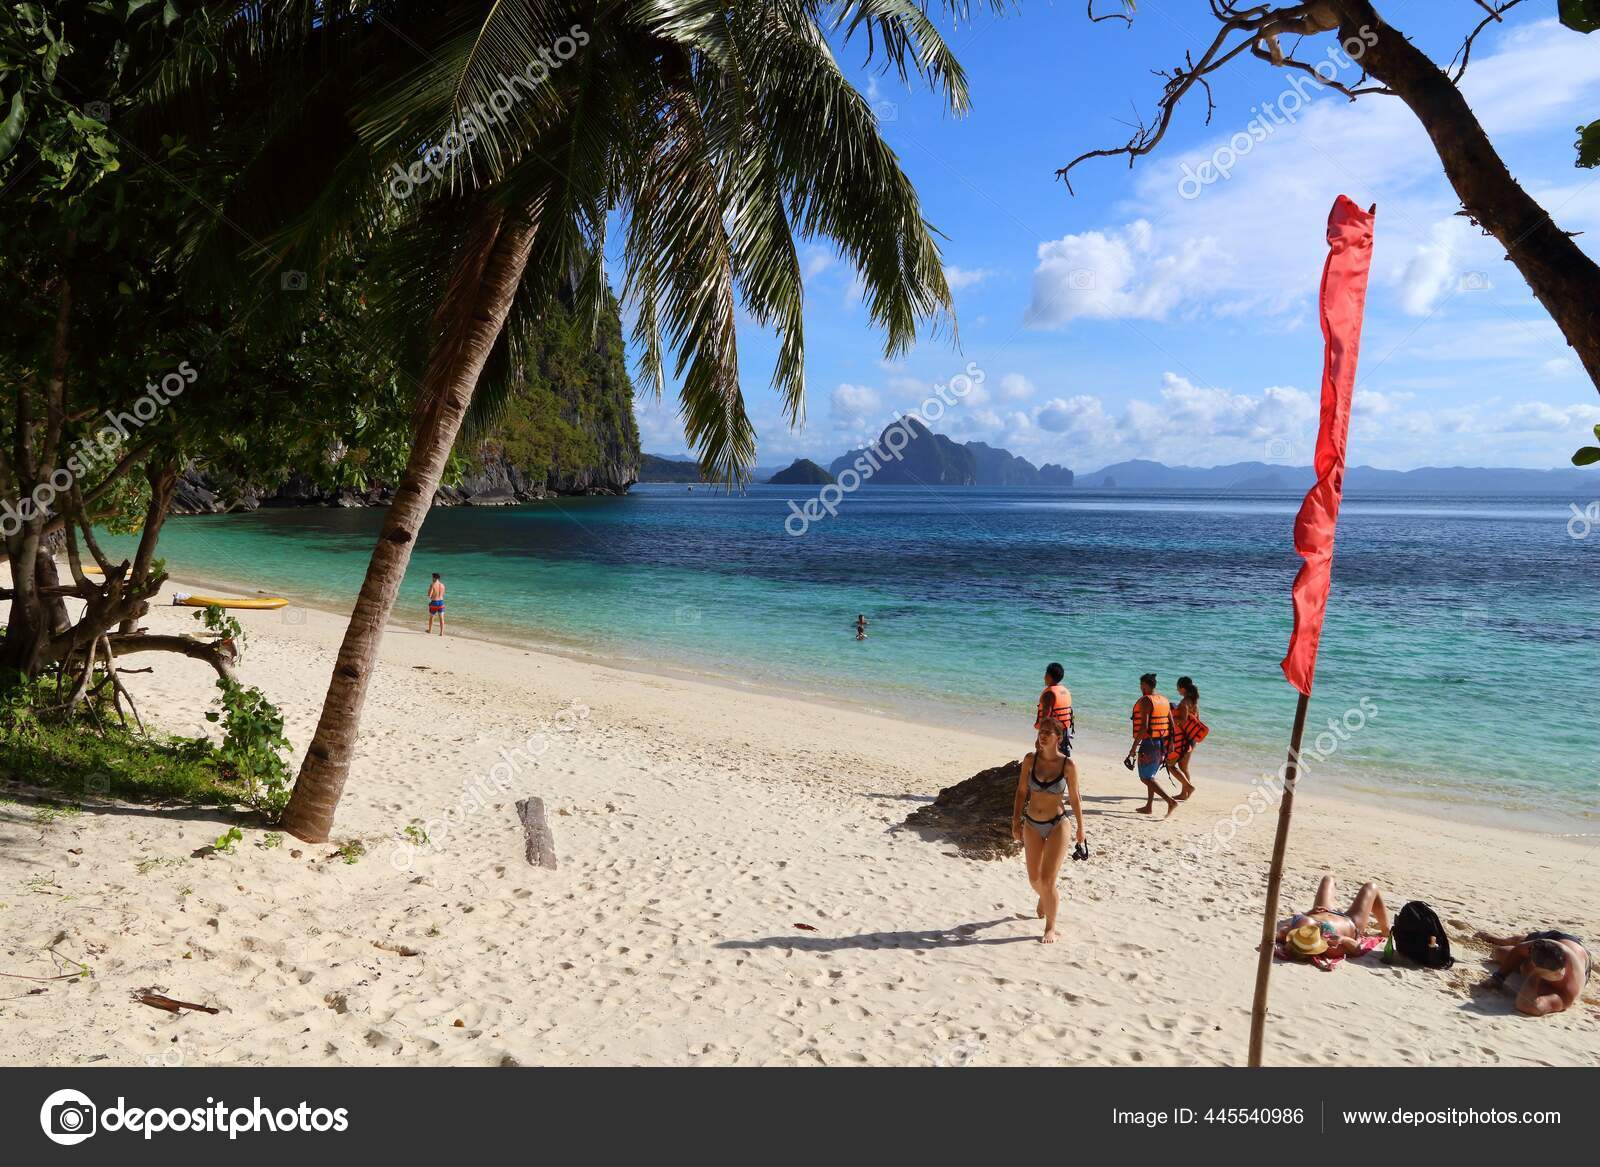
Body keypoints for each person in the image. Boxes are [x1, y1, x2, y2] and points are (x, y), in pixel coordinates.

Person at [1010, 718, 1085, 944]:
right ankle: (1044, 897)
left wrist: (1081, 827)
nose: (1043, 736)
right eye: (1041, 732)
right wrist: (1015, 821)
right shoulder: (1030, 760)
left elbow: (1074, 797)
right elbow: (1021, 791)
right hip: (1032, 824)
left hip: (1057, 824)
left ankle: (1050, 927)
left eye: (1048, 733)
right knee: (1034, 879)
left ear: (1058, 738)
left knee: (1047, 879)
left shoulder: (1068, 765)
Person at [1274, 874, 1390, 960]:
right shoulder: (1329, 948)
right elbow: (1357, 949)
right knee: (1371, 887)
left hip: (1323, 912)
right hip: (1351, 921)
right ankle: (1386, 929)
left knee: (1327, 878)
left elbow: (1273, 935)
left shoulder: (1294, 934)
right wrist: (1344, 939)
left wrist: (1309, 913)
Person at [1481, 930, 1591, 1016]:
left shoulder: (1568, 991)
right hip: (1554, 944)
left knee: (1504, 952)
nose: (1561, 974)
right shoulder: (1547, 947)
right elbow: (1519, 949)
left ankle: (1512, 943)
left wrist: (1535, 974)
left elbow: (1526, 1006)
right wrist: (1499, 977)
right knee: (1502, 950)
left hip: (1572, 946)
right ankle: (1503, 940)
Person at [1127, 672, 1177, 817]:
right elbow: (1172, 725)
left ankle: (1170, 801)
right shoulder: (1164, 700)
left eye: (1141, 685)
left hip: (1149, 744)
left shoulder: (1146, 701)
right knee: (1151, 776)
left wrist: (1133, 748)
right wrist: (1171, 744)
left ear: (1146, 685)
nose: (1140, 688)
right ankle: (1149, 806)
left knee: (1145, 778)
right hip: (1161, 744)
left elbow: (1144, 728)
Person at [1166, 676, 1204, 801]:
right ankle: (1184, 793)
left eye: (1178, 688)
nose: (1177, 690)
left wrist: (1169, 718)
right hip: (1191, 739)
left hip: (1183, 740)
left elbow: (1182, 721)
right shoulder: (1194, 703)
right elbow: (1195, 720)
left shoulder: (1184, 703)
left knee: (1170, 765)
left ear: (1182, 688)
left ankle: (1188, 787)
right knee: (1183, 768)